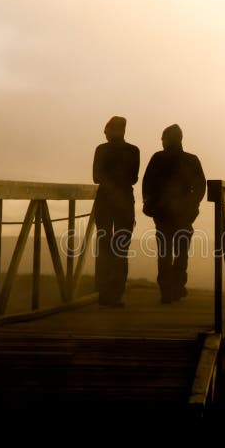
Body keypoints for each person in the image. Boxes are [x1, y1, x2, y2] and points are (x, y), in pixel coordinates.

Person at [142, 124, 206, 304]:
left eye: (162, 138)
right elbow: (201, 186)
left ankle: (166, 290)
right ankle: (177, 286)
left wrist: (150, 204)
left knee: (164, 252)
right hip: (184, 213)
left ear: (167, 139)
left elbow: (147, 184)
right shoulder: (191, 160)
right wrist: (193, 205)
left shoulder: (158, 158)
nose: (161, 142)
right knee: (182, 251)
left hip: (162, 213)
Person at [92, 116, 140, 307]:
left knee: (104, 246)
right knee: (121, 248)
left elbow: (96, 177)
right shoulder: (134, 151)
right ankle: (116, 293)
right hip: (125, 202)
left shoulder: (101, 150)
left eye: (107, 129)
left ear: (114, 130)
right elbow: (133, 178)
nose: (104, 132)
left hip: (104, 201)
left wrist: (109, 183)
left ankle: (104, 293)